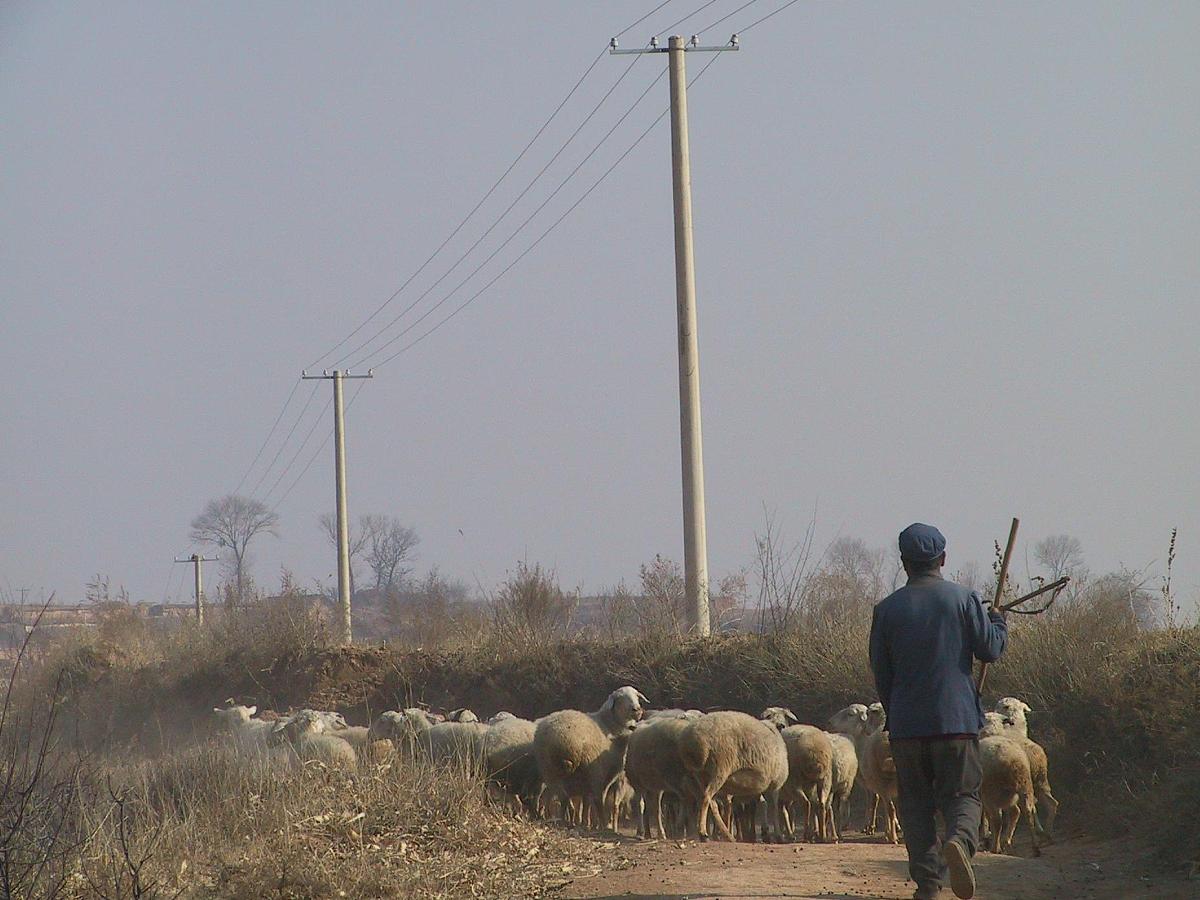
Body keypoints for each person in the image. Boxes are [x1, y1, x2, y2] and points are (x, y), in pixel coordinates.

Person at [869, 523, 1007, 900]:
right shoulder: (963, 600)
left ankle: (928, 885)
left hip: (908, 728)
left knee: (914, 805)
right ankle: (960, 841)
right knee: (962, 797)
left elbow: (882, 674)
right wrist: (997, 621)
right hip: (957, 722)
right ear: (942, 559)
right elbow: (990, 650)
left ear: (904, 562)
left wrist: (895, 715)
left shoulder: (886, 610)